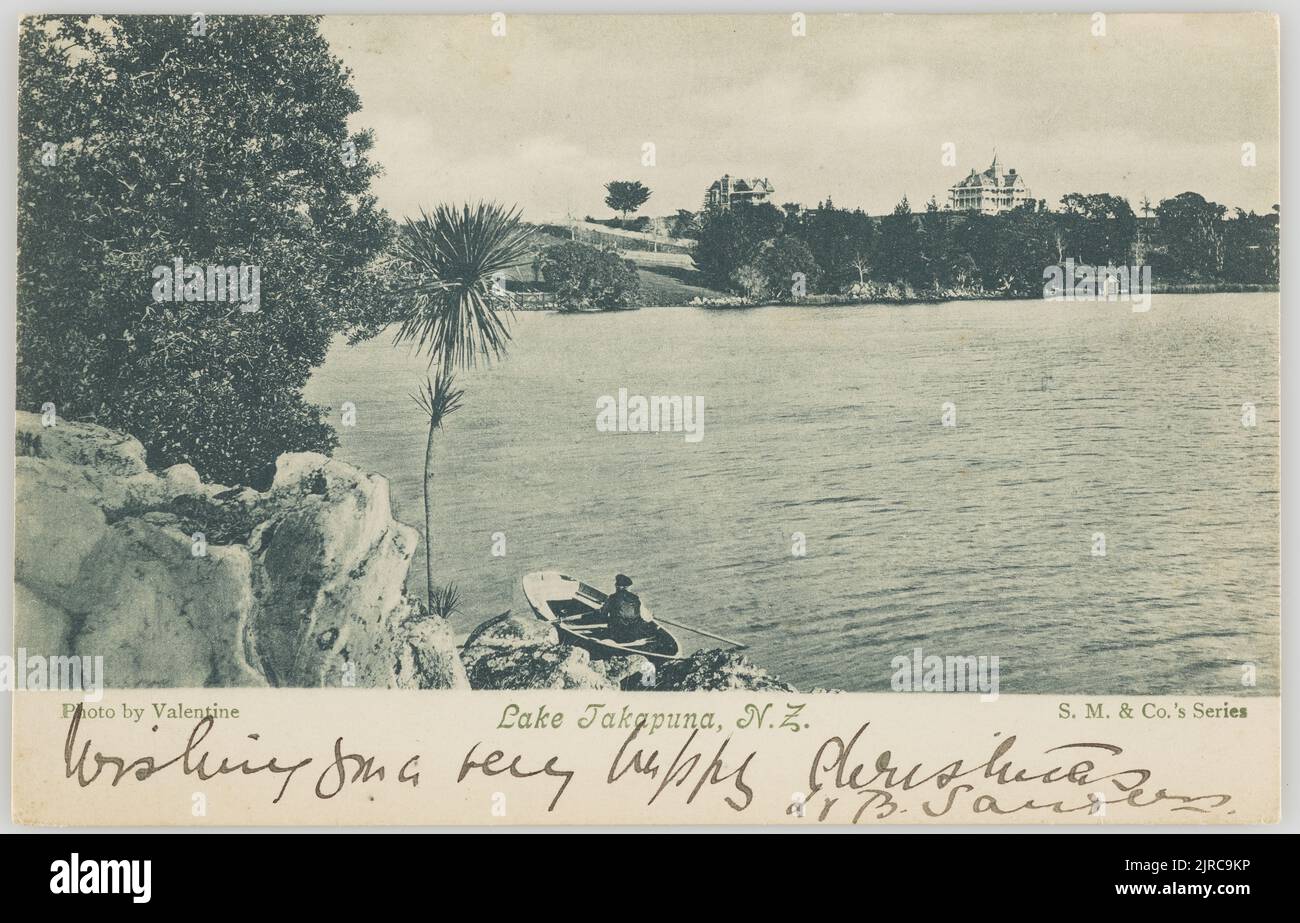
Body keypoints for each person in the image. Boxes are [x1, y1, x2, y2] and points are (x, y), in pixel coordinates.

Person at [601, 574, 647, 642]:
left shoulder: (612, 598)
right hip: (635, 632)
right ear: (628, 587)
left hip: (618, 632)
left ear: (618, 587)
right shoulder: (636, 598)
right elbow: (646, 616)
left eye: (616, 585)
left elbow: (603, 614)